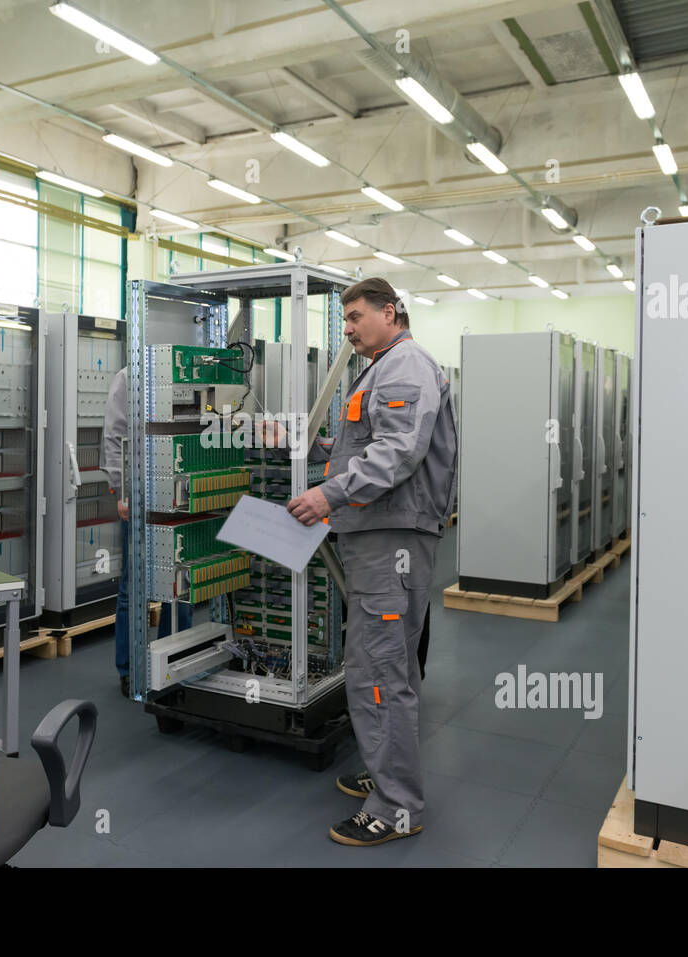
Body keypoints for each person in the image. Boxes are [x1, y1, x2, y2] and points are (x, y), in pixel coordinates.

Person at [270, 278, 456, 847]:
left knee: (379, 674)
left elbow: (398, 452)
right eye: (345, 320)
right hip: (380, 538)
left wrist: (327, 494)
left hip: (391, 540)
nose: (347, 329)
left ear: (390, 312)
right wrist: (317, 449)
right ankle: (386, 770)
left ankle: (396, 805)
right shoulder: (382, 367)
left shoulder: (404, 367)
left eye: (354, 318)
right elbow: (370, 444)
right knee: (387, 667)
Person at [102, 365, 192, 699]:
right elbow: (114, 435)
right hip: (141, 495)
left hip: (180, 492)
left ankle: (177, 658)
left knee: (179, 581)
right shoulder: (129, 377)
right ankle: (129, 669)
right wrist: (121, 489)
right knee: (133, 585)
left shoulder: (184, 376)